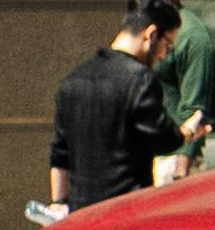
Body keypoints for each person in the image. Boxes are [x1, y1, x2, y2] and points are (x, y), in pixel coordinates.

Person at [48, 11, 199, 214]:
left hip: (80, 214)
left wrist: (59, 204)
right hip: (128, 210)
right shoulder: (140, 78)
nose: (163, 55)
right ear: (151, 34)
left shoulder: (73, 80)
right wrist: (187, 133)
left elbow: (59, 154)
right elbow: (161, 137)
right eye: (167, 45)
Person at [124, 0, 213, 154]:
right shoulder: (135, 25)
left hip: (167, 159)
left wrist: (180, 167)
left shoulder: (191, 34)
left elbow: (194, 111)